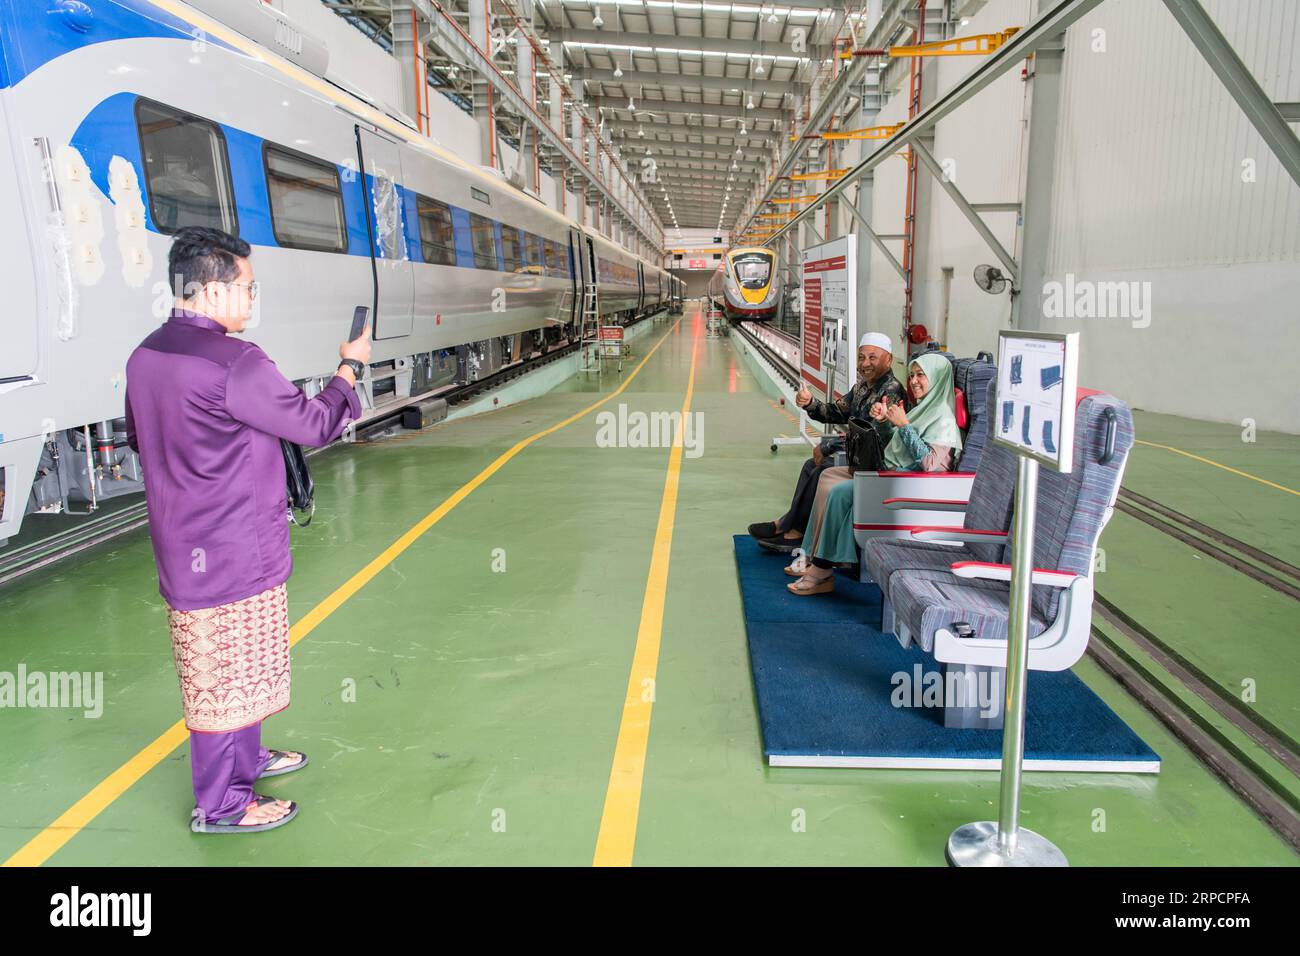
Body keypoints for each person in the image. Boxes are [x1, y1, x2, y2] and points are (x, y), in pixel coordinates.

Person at [124, 226, 370, 832]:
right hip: (234, 546)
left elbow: (142, 438)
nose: (252, 301)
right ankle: (222, 804)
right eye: (248, 289)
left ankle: (247, 757)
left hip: (186, 543)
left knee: (240, 661)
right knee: (218, 675)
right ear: (210, 291)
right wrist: (349, 369)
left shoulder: (146, 355)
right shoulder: (236, 362)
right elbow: (314, 424)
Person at [788, 352, 962, 596]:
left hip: (908, 487)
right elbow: (898, 443)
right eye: (912, 375)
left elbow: (930, 463)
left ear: (938, 378)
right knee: (830, 484)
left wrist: (903, 425)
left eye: (921, 375)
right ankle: (816, 559)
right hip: (894, 475)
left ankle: (821, 569)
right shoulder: (923, 409)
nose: (913, 381)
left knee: (839, 492)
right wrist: (886, 421)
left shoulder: (943, 419)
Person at [747, 332, 905, 552]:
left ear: (888, 360)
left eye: (872, 357)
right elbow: (836, 411)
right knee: (810, 465)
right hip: (856, 454)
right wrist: (810, 403)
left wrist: (828, 446)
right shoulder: (862, 387)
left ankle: (794, 533)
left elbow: (871, 437)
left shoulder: (891, 391)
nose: (865, 363)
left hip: (875, 461)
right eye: (861, 357)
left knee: (821, 470)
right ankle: (787, 525)